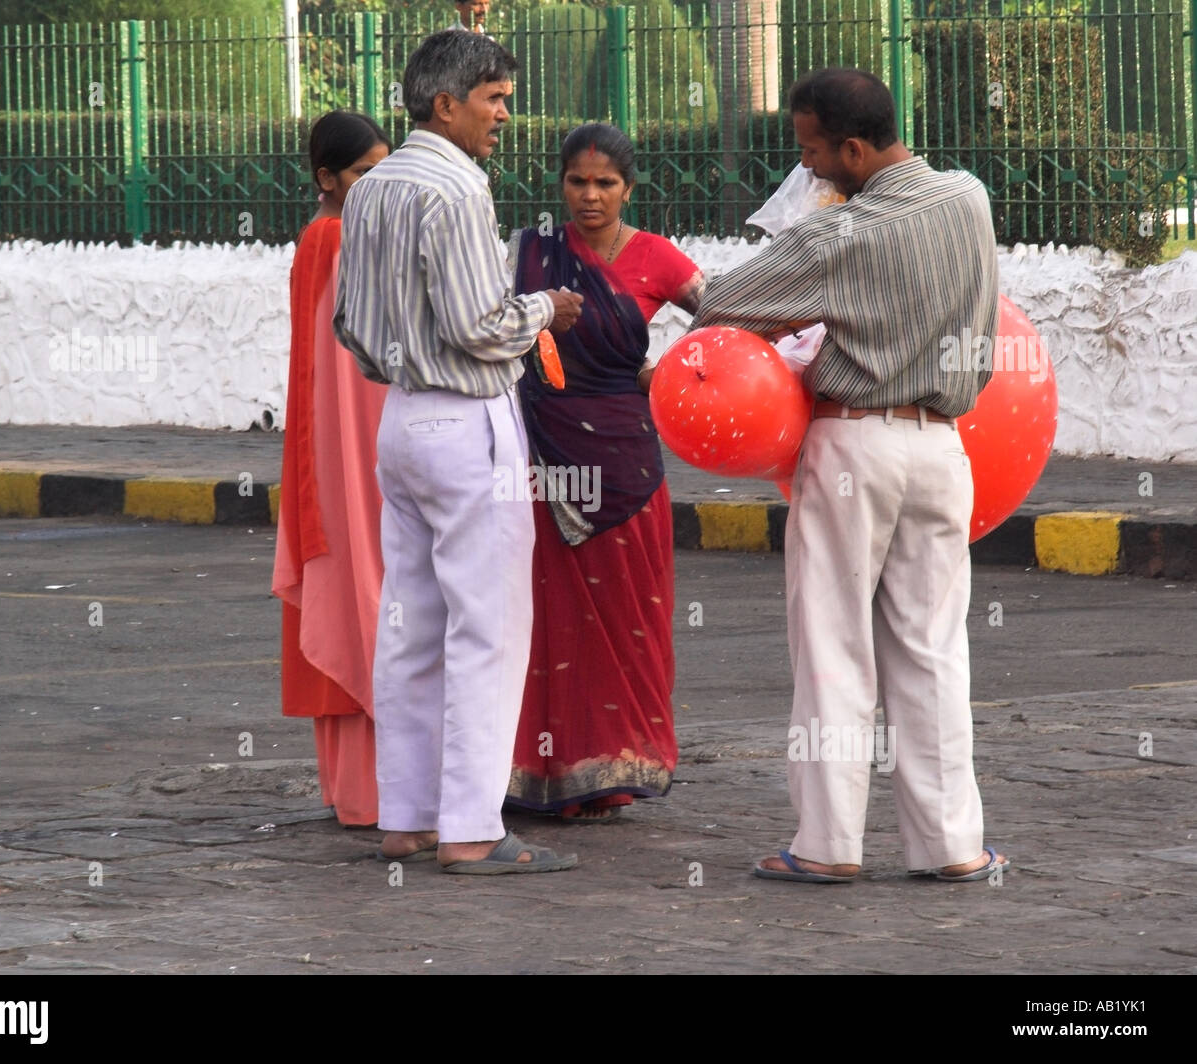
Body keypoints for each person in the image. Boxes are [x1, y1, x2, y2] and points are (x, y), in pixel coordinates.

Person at [691, 68, 1009, 884]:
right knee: (934, 651)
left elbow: (721, 302)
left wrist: (793, 308)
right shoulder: (969, 198)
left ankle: (828, 845)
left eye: (813, 152)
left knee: (833, 647)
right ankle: (952, 847)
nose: (808, 169)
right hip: (943, 449)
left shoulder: (837, 237)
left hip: (852, 447)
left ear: (855, 148)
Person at [334, 30, 584, 873]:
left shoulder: (370, 190)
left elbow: (350, 325)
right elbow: (481, 326)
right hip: (468, 418)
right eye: (494, 99)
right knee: (489, 630)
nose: (504, 116)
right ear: (447, 104)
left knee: (408, 626)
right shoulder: (456, 187)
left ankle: (406, 817)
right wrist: (545, 307)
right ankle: (473, 827)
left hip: (400, 419)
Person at [504, 124, 704, 822]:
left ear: (629, 187)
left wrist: (669, 375)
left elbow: (728, 324)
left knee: (625, 617)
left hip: (624, 463)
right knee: (546, 615)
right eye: (577, 182)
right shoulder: (529, 253)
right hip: (545, 459)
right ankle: (542, 770)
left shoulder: (656, 259)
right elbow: (494, 327)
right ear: (560, 184)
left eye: (606, 184)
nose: (590, 196)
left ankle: (613, 768)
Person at [272, 111, 391, 828]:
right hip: (357, 451)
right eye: (364, 177)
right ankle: (380, 791)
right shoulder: (341, 238)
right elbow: (351, 375)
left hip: (345, 448)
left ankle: (360, 790)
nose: (376, 190)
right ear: (327, 179)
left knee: (359, 591)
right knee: (367, 594)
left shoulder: (325, 236)